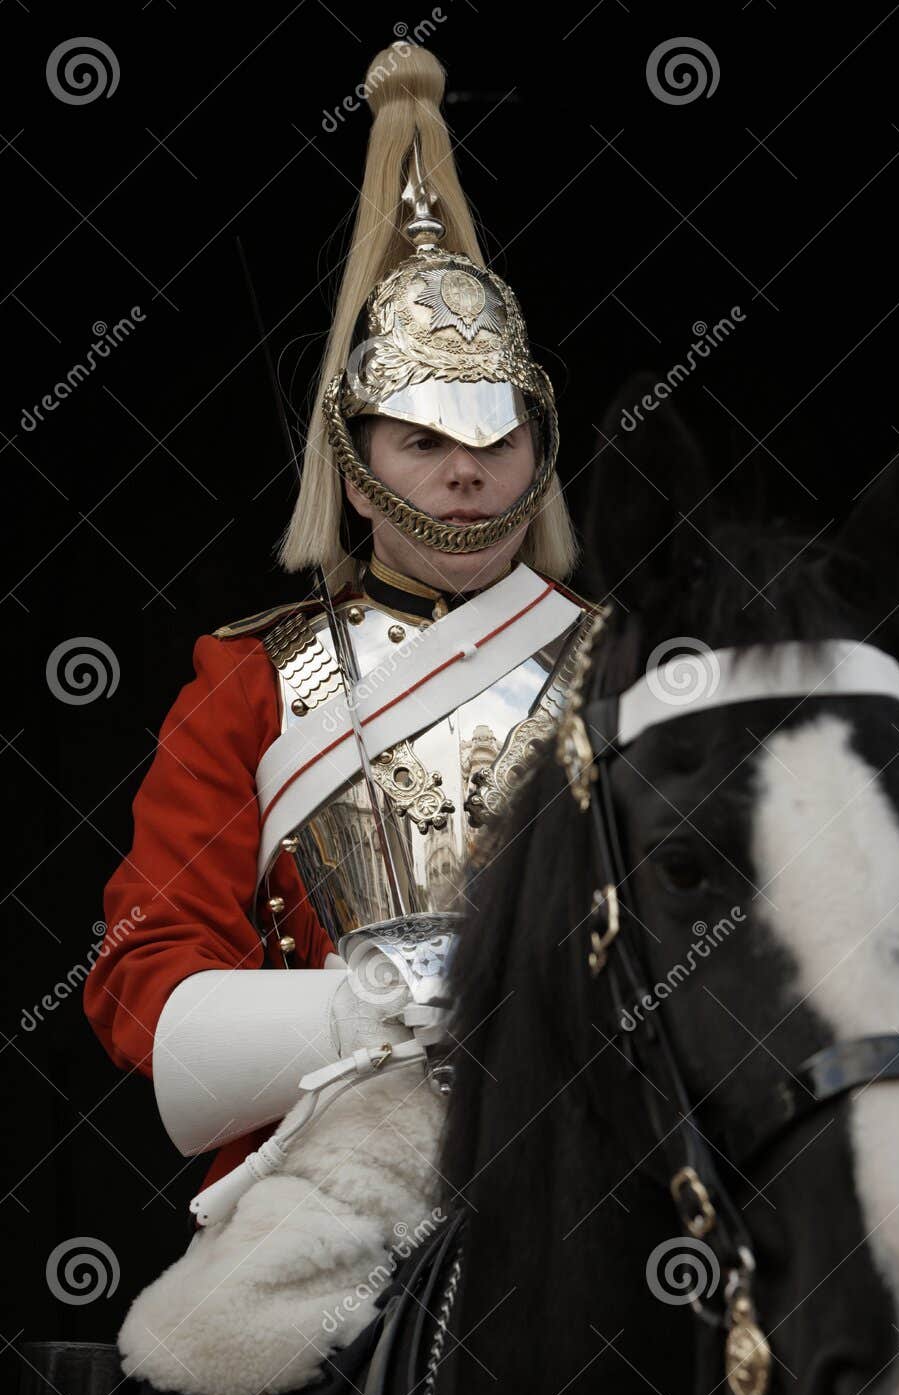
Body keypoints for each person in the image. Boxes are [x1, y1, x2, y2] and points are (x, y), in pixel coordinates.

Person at [83, 42, 596, 1212]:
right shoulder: (248, 681)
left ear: (537, 455)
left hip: (592, 1144)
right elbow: (145, 972)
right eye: (423, 441)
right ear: (356, 477)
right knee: (217, 1334)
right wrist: (366, 1010)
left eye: (495, 440)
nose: (465, 473)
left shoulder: (627, 664)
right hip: (331, 1162)